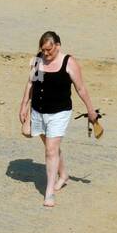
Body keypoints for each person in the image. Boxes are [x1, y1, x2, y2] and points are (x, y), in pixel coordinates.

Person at [18, 31, 98, 207]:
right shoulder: (38, 60)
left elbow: (81, 88)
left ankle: (49, 193)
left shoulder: (69, 63)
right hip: (38, 111)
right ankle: (64, 175)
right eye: (43, 50)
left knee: (50, 150)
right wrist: (24, 105)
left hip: (59, 113)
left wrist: (90, 110)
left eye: (49, 50)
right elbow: (32, 83)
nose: (46, 54)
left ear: (58, 45)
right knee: (50, 146)